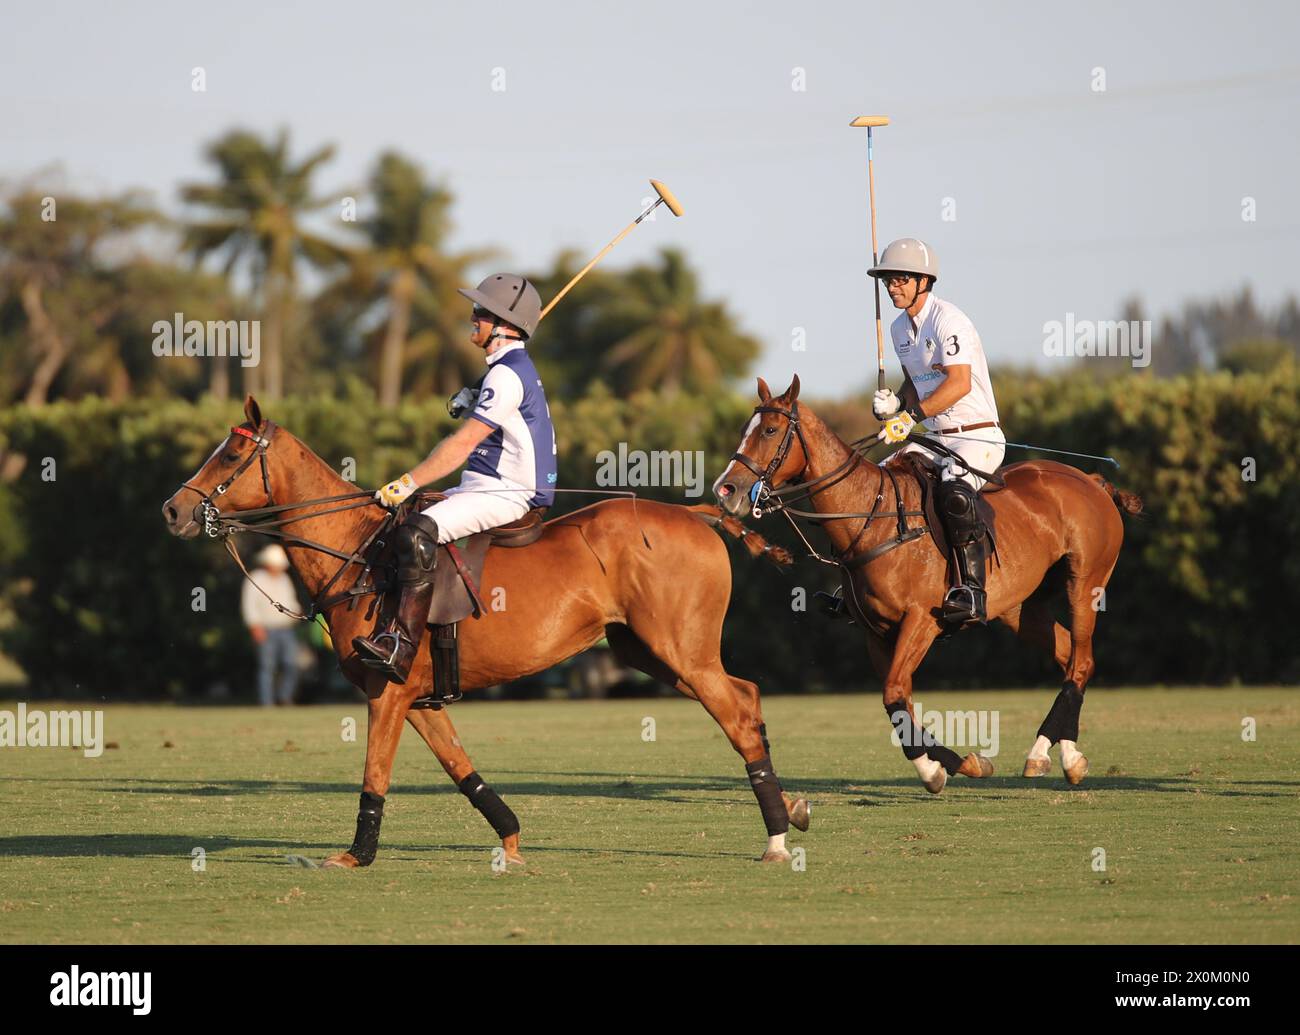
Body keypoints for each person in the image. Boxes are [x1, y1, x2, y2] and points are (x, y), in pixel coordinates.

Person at [352, 273, 558, 686]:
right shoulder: (503, 371)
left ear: (502, 325)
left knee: (415, 532)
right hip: (483, 485)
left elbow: (462, 444)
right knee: (407, 519)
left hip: (507, 492)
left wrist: (406, 482)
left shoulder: (506, 375)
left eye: (481, 312)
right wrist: (473, 393)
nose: (473, 316)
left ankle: (401, 645)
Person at [867, 238, 1005, 624]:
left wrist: (910, 419)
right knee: (879, 483)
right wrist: (896, 403)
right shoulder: (898, 329)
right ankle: (864, 586)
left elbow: (958, 382)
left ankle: (972, 591)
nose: (893, 286)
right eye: (888, 280)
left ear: (923, 281)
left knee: (955, 493)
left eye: (900, 279)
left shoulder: (950, 320)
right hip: (937, 438)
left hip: (977, 436)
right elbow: (917, 383)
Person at [241, 544, 304, 706]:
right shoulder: (255, 578)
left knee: (291, 664)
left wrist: (297, 613)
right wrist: (254, 626)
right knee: (267, 667)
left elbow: (291, 601)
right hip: (265, 629)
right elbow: (249, 604)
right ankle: (266, 702)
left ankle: (285, 697)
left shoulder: (284, 579)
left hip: (286, 629)